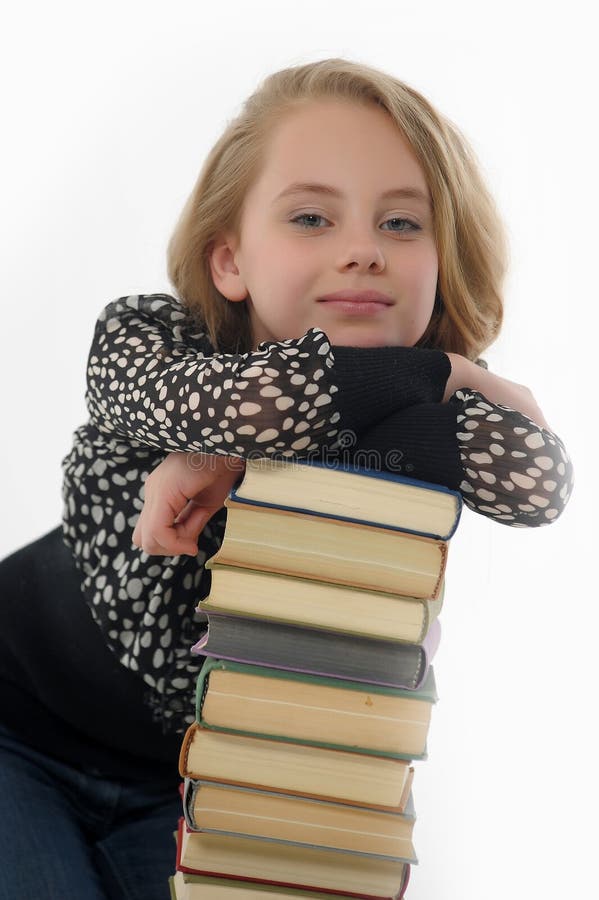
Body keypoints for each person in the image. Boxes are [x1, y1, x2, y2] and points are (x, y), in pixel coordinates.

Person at [0, 57, 574, 899]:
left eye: (402, 225)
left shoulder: (415, 408)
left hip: (196, 783)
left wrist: (238, 458)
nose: (361, 252)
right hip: (17, 729)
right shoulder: (148, 340)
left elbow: (533, 478)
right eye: (311, 217)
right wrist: (436, 376)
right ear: (230, 262)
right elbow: (248, 407)